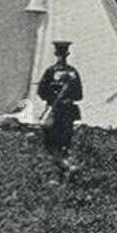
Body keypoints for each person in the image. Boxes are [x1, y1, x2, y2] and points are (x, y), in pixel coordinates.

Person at [36, 40, 84, 179]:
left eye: (62, 54)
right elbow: (42, 91)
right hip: (59, 110)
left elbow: (79, 94)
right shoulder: (69, 72)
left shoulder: (53, 72)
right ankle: (58, 168)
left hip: (64, 111)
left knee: (60, 141)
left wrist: (58, 97)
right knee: (57, 140)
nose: (61, 57)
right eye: (60, 54)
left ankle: (60, 169)